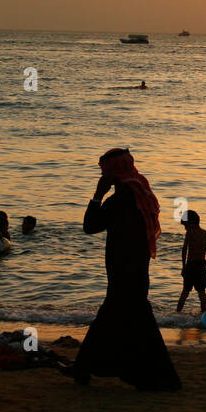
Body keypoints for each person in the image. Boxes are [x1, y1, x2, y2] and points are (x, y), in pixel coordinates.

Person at [60, 148, 180, 390]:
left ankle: (86, 369)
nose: (102, 175)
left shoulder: (121, 199)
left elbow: (90, 226)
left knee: (114, 321)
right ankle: (85, 369)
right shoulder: (141, 192)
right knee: (129, 322)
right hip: (135, 271)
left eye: (104, 171)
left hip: (123, 272)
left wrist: (97, 195)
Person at [177, 210, 206, 314]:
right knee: (202, 293)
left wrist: (183, 266)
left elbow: (184, 249)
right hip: (201, 265)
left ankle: (177, 313)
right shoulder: (205, 233)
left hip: (191, 265)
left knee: (185, 292)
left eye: (186, 225)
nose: (185, 228)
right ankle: (204, 314)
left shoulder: (190, 233)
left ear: (192, 223)